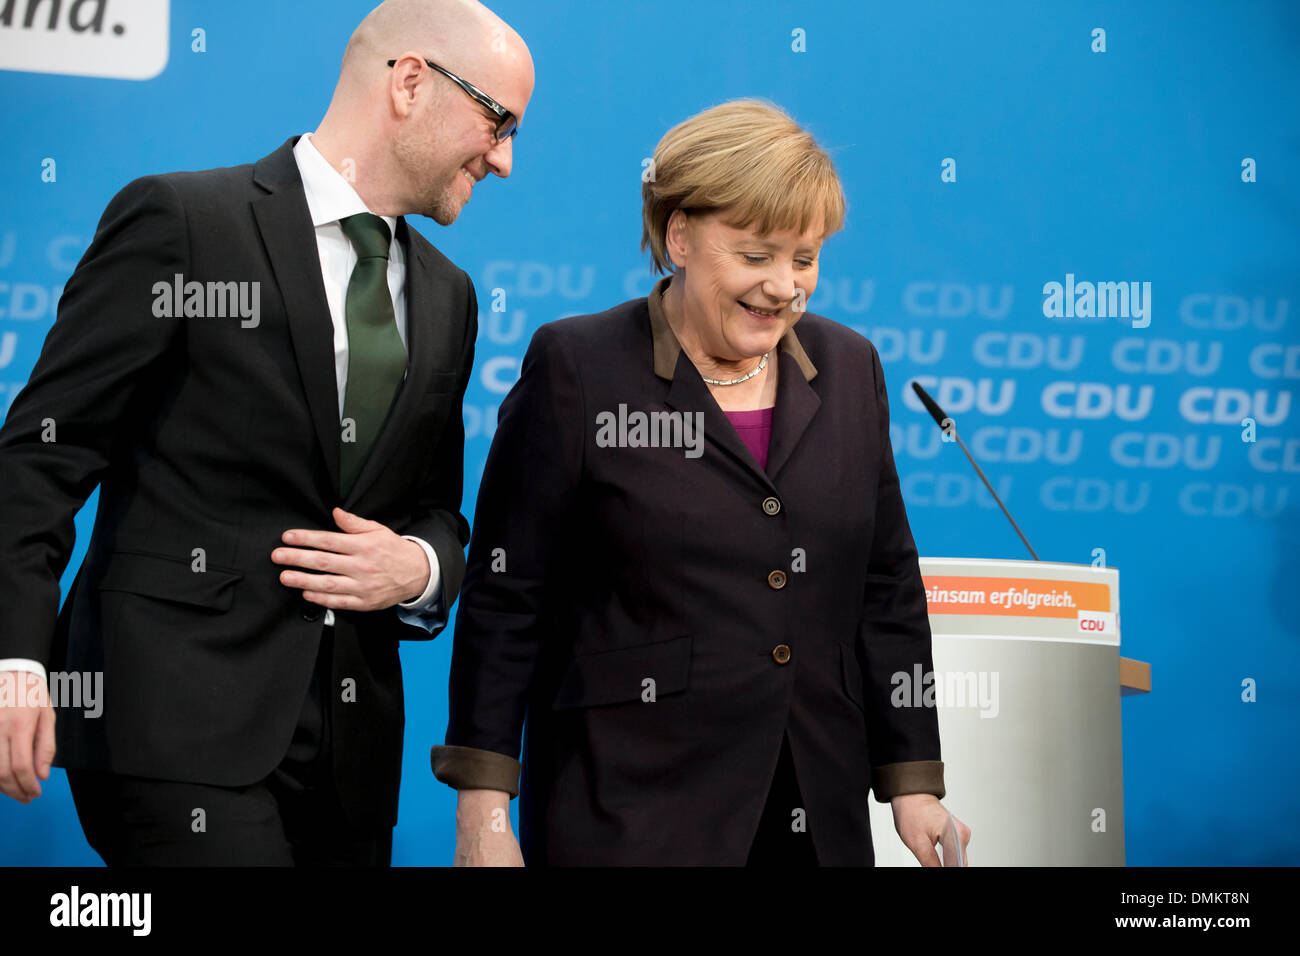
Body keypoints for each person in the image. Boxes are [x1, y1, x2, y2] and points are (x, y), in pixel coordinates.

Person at [0, 0, 533, 866]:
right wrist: (15, 660)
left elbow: (435, 508)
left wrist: (421, 567)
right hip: (174, 732)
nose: (506, 159)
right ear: (409, 82)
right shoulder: (183, 223)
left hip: (350, 761)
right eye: (498, 121)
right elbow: (43, 455)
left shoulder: (450, 296)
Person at [431, 99, 970, 866]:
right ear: (679, 236)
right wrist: (483, 809)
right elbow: (508, 597)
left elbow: (885, 587)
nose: (784, 286)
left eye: (805, 258)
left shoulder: (851, 368)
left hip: (815, 811)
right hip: (627, 810)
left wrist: (913, 779)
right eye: (756, 257)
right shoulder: (579, 369)